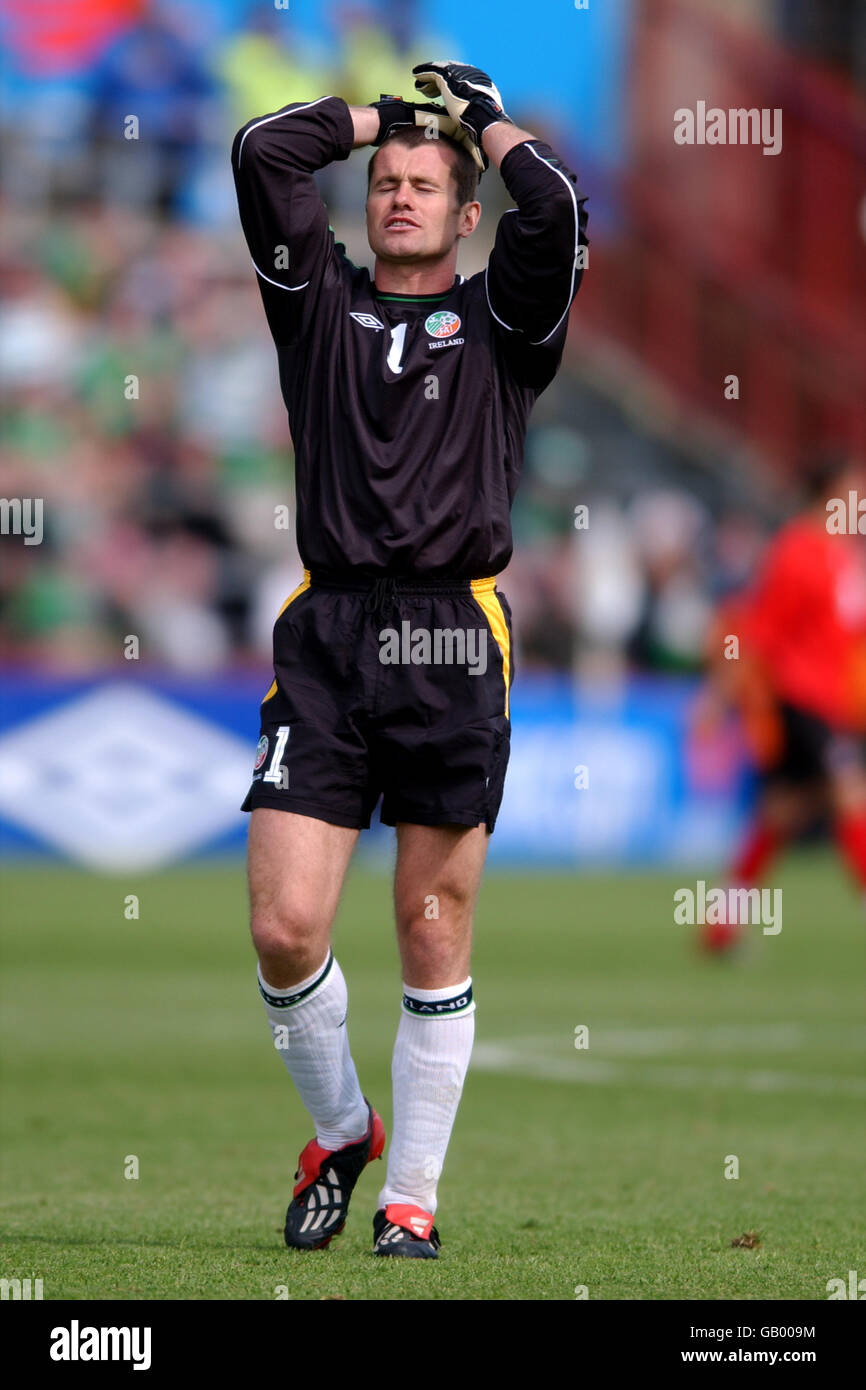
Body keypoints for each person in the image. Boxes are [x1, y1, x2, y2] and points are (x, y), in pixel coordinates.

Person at [231, 61, 588, 1258]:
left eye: (422, 185)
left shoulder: (503, 318)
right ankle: (341, 1131)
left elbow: (561, 211)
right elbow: (261, 153)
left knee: (432, 928)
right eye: (383, 181)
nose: (395, 195)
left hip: (449, 634)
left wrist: (476, 122)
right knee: (285, 928)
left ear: (461, 211)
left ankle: (411, 1200)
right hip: (327, 633)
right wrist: (387, 115)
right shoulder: (315, 304)